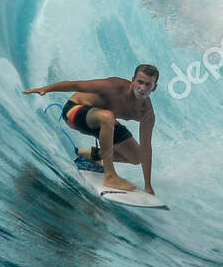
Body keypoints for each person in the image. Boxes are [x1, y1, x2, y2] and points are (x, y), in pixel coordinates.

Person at [24, 64, 158, 194]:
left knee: (137, 156)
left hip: (105, 121)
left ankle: (92, 156)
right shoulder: (114, 86)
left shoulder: (147, 113)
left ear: (154, 88)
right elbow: (76, 85)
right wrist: (46, 89)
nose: (142, 88)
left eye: (148, 85)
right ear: (133, 80)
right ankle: (110, 176)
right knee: (108, 117)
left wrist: (148, 185)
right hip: (75, 111)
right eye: (140, 82)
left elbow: (146, 148)